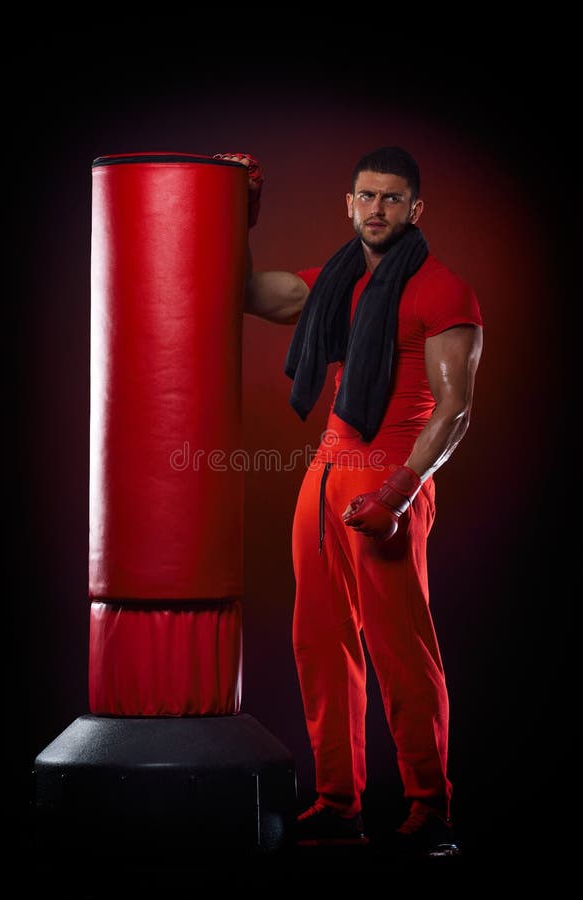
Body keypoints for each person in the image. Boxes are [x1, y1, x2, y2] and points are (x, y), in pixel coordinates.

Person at [216, 148, 483, 856]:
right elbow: (239, 290)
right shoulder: (335, 284)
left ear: (414, 210)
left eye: (392, 199)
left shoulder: (442, 290)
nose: (376, 210)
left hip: (389, 476)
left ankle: (431, 809)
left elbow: (453, 409)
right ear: (348, 202)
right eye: (366, 196)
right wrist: (238, 210)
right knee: (319, 645)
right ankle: (338, 804)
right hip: (327, 473)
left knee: (401, 650)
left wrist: (399, 492)